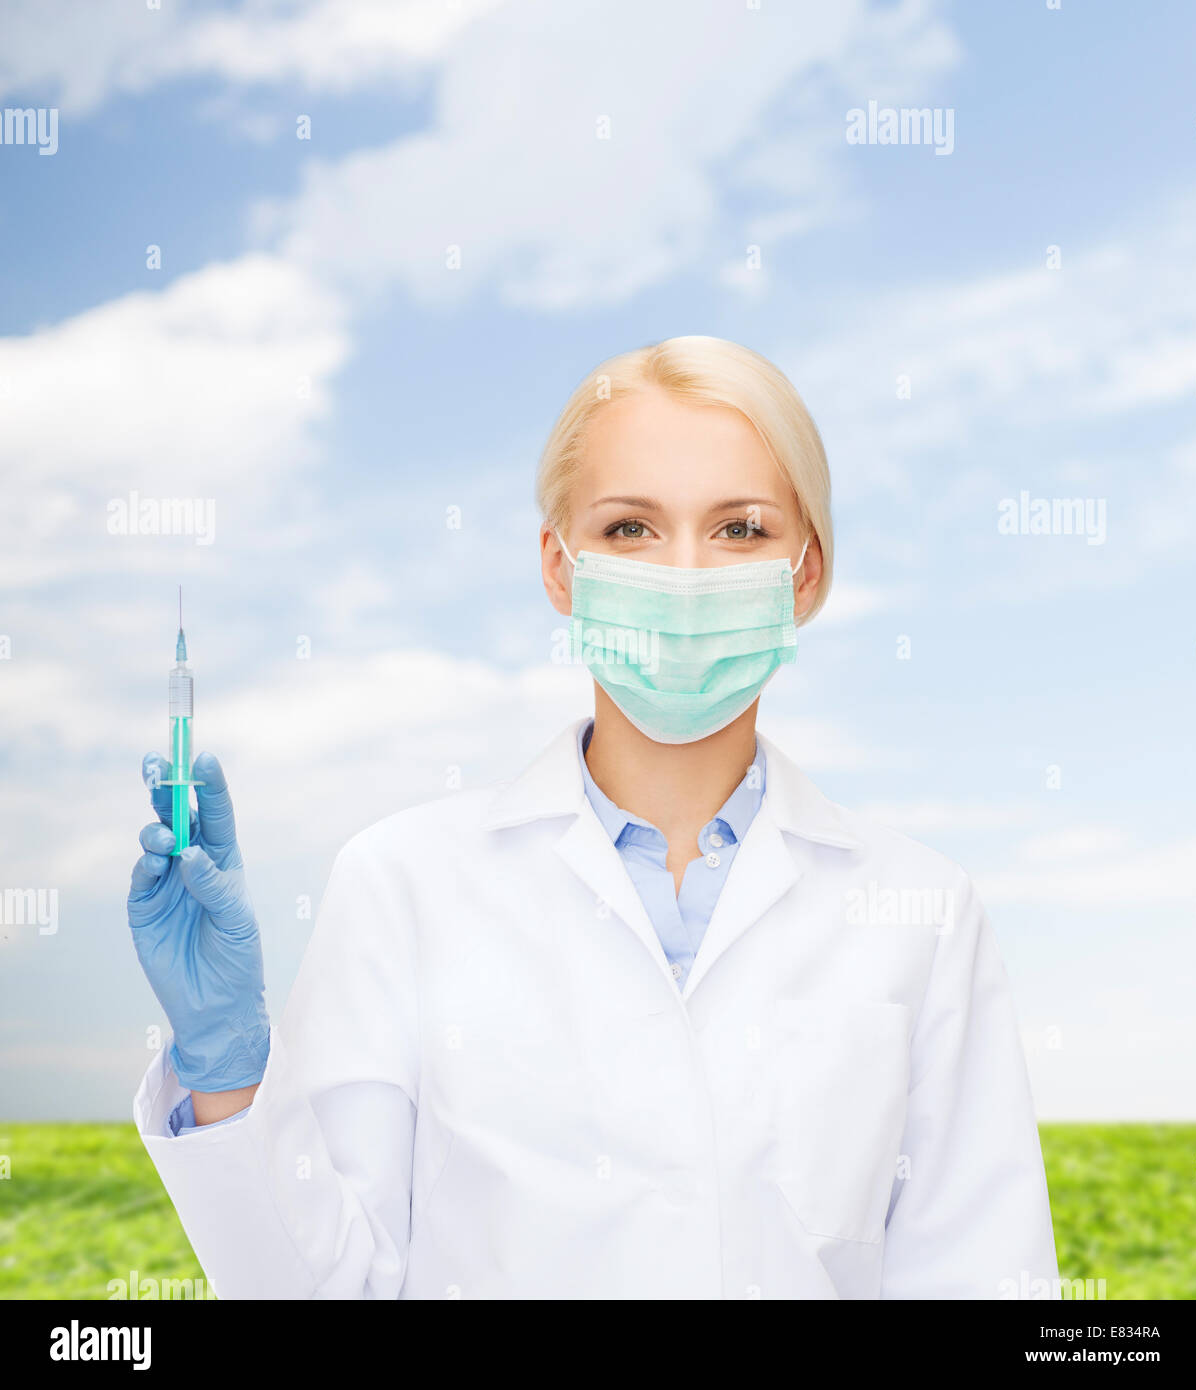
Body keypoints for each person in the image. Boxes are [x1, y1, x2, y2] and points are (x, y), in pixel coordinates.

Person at [128, 335, 1059, 1299]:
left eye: (740, 529)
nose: (688, 575)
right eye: (630, 530)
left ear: (808, 573)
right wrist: (226, 1066)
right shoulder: (404, 883)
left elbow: (986, 1279)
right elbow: (326, 1290)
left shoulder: (921, 911)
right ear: (561, 570)